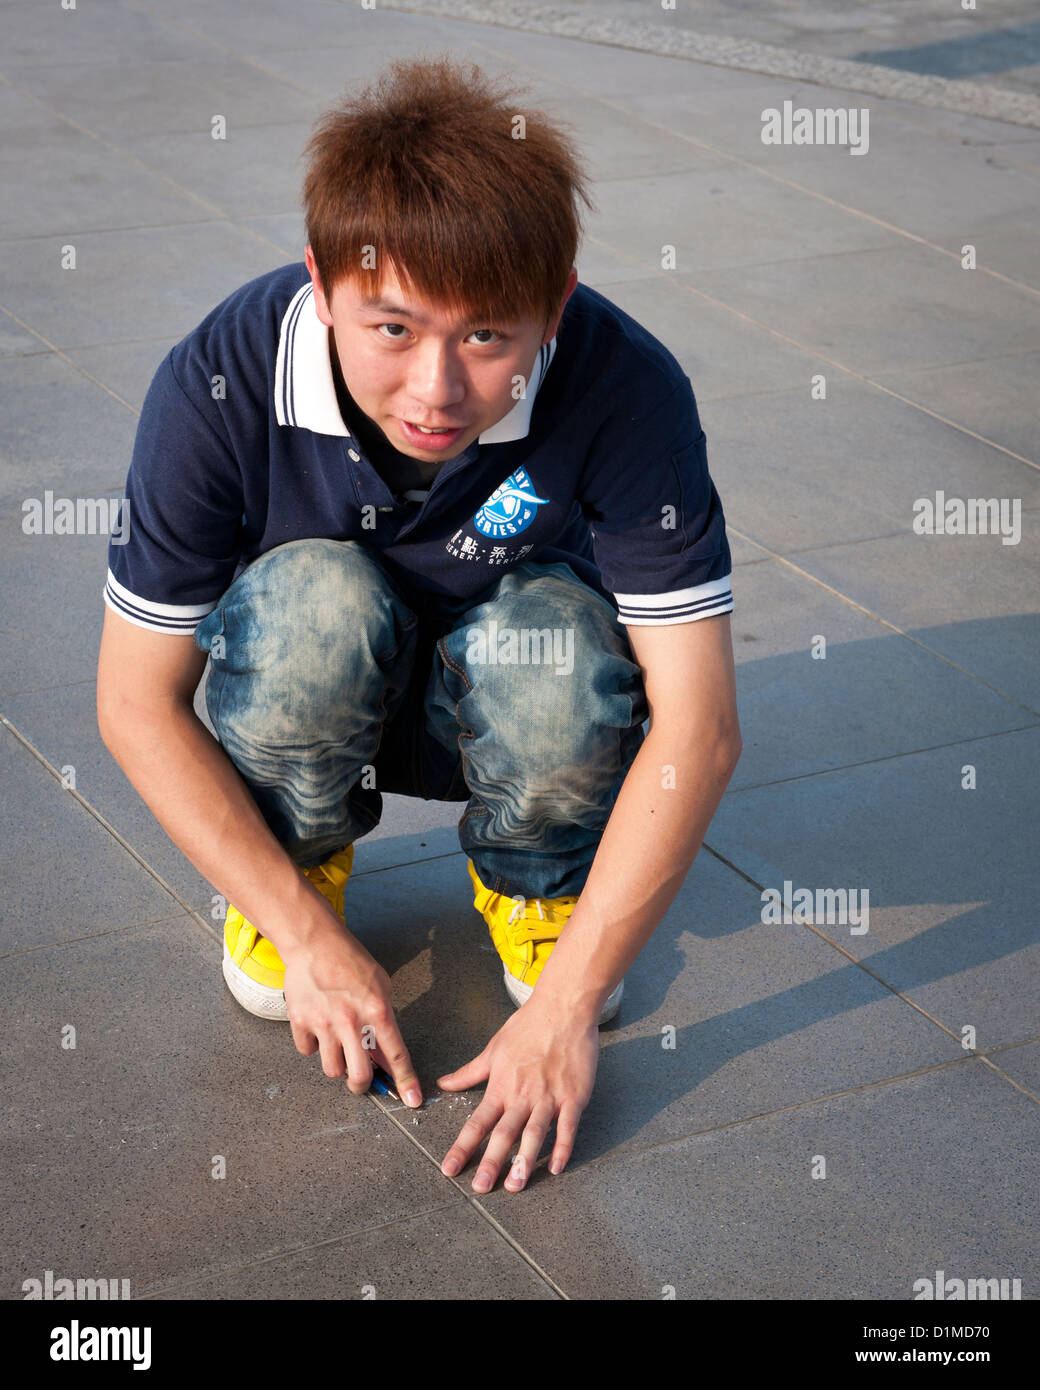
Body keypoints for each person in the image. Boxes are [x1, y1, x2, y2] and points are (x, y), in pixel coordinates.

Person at [96, 56, 741, 1195]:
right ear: (318, 282)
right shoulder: (220, 381)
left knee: (550, 640)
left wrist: (572, 1008)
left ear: (559, 303)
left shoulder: (622, 383)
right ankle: (301, 861)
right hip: (315, 685)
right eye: (390, 326)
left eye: (489, 337)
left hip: (504, 687)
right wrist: (299, 932)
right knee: (310, 600)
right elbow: (131, 698)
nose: (436, 388)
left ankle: (540, 884)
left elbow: (700, 720)